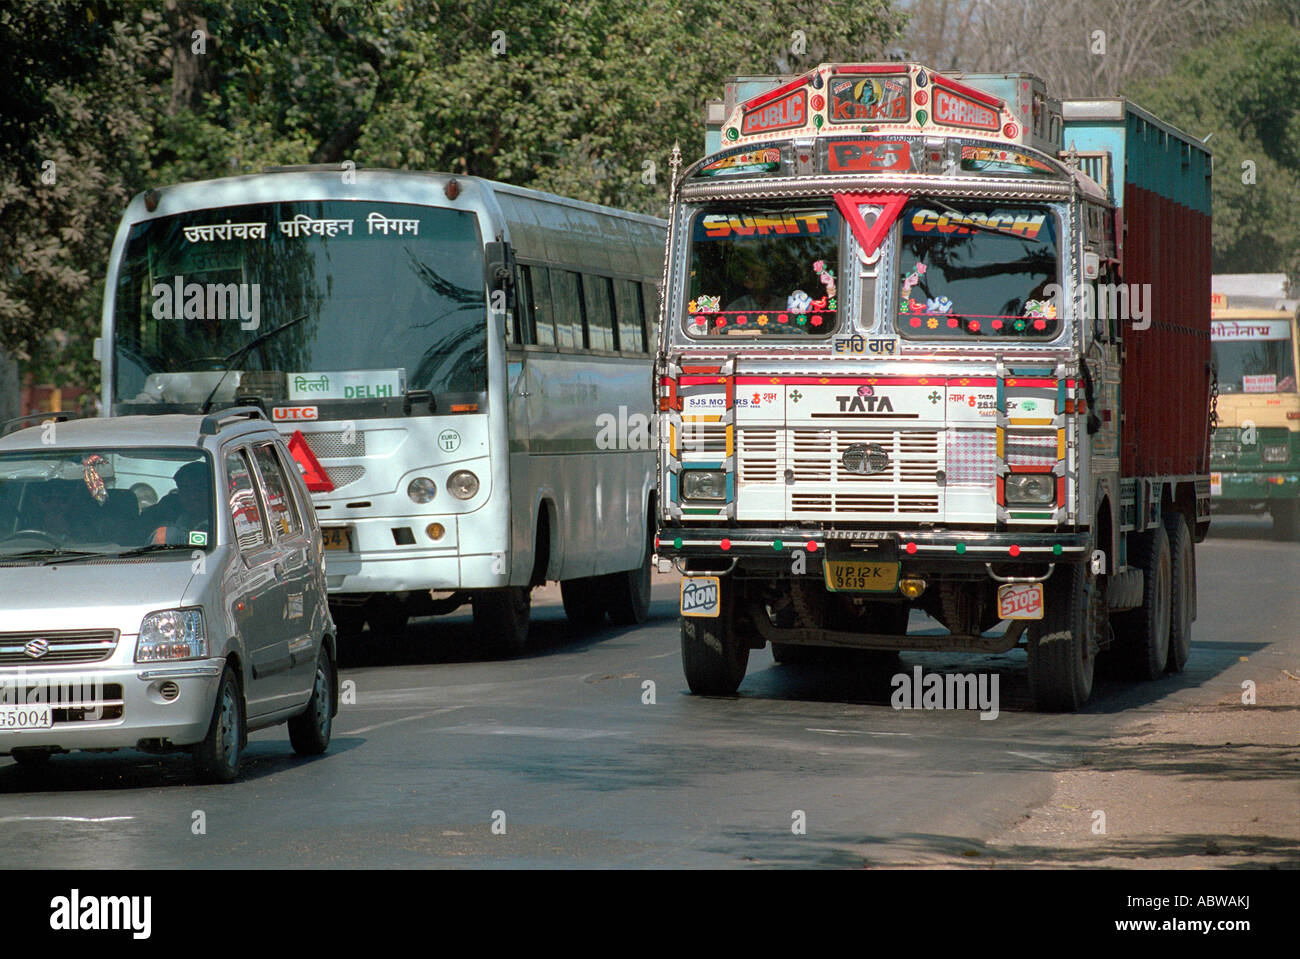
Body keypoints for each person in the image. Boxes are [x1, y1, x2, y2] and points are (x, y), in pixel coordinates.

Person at [139, 461, 212, 546]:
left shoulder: (223, 527)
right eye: (186, 490)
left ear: (213, 491)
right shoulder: (166, 525)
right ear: (179, 493)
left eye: (200, 489)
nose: (193, 496)